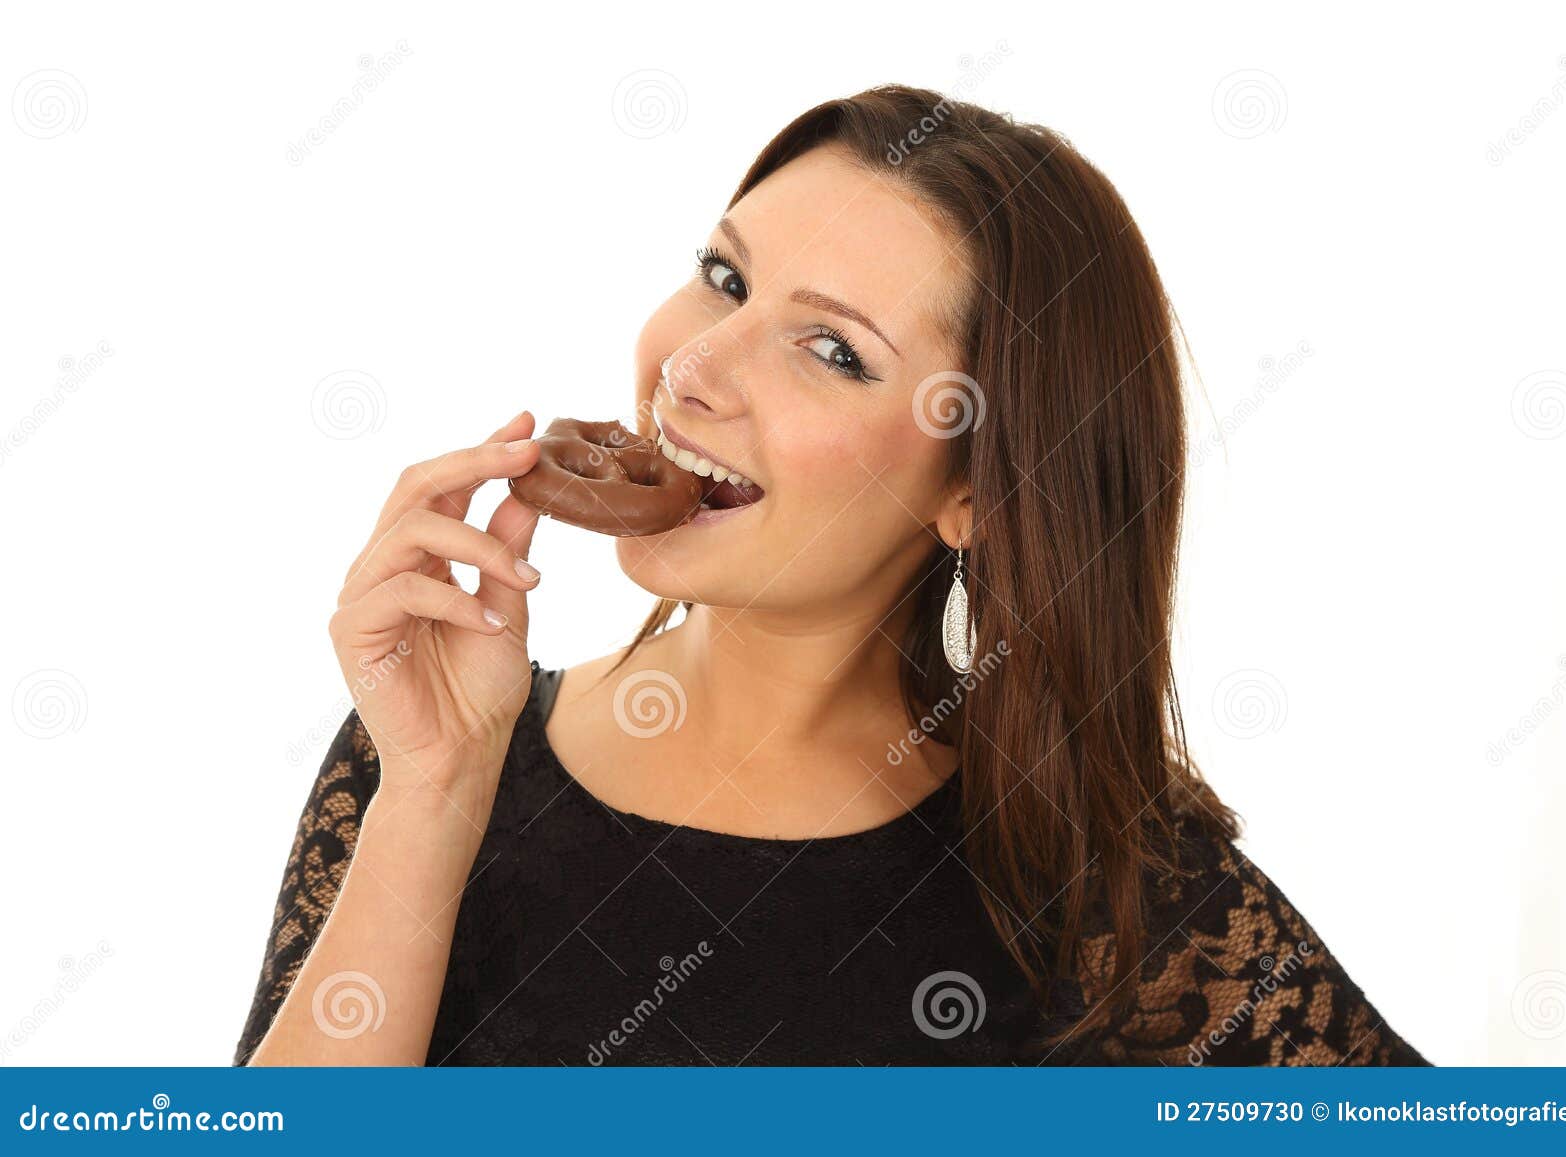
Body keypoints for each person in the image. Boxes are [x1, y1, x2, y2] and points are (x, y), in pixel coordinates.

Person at [235, 84, 1428, 1066]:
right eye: (724, 276)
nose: (693, 365)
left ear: (977, 489)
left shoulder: (1109, 904)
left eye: (832, 349)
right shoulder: (423, 758)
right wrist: (435, 791)